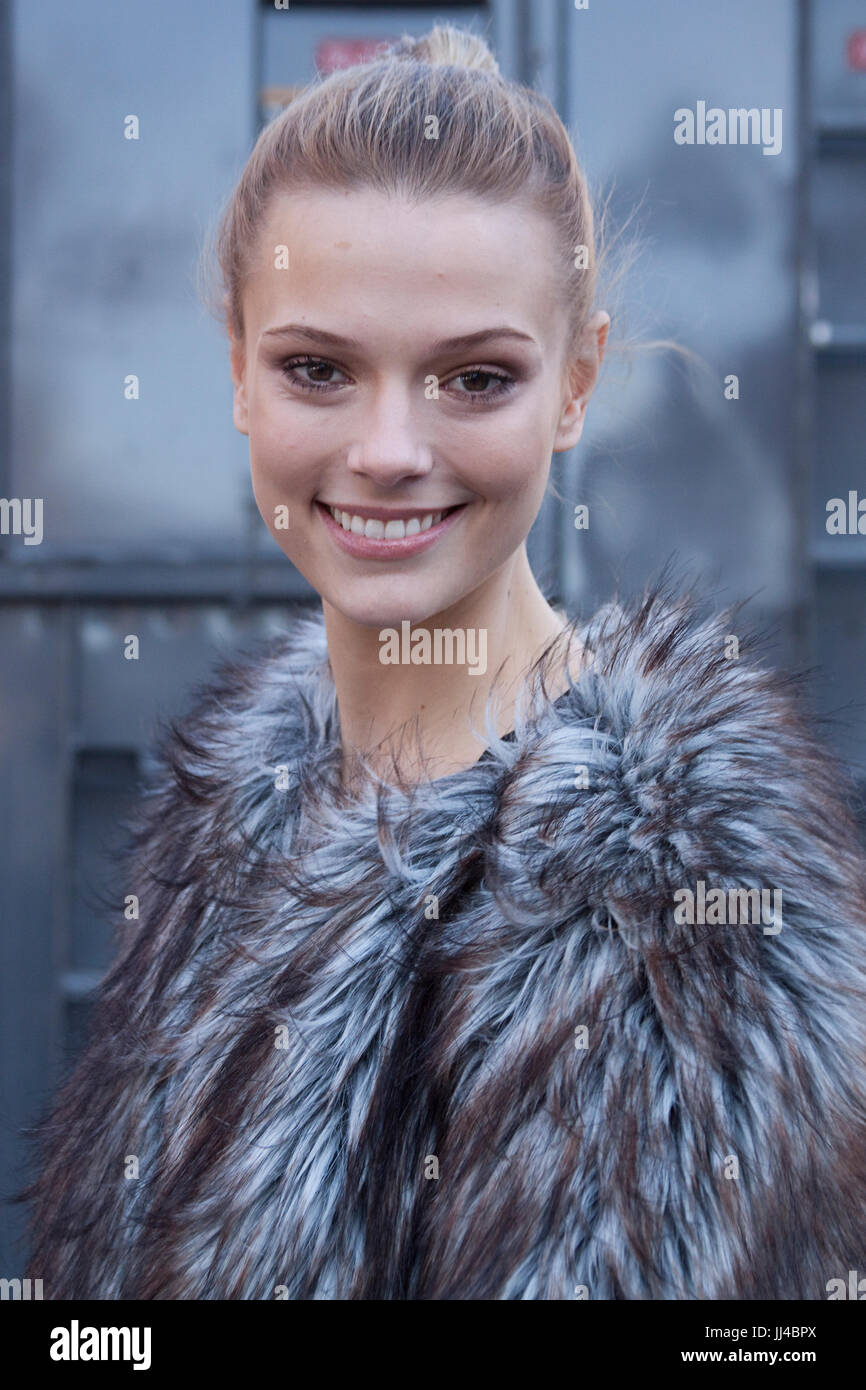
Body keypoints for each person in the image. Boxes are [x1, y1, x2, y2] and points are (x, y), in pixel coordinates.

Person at [21, 23, 866, 1300]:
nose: (386, 449)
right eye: (317, 369)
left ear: (574, 385)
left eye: (473, 378)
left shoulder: (662, 908)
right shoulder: (230, 819)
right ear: (238, 376)